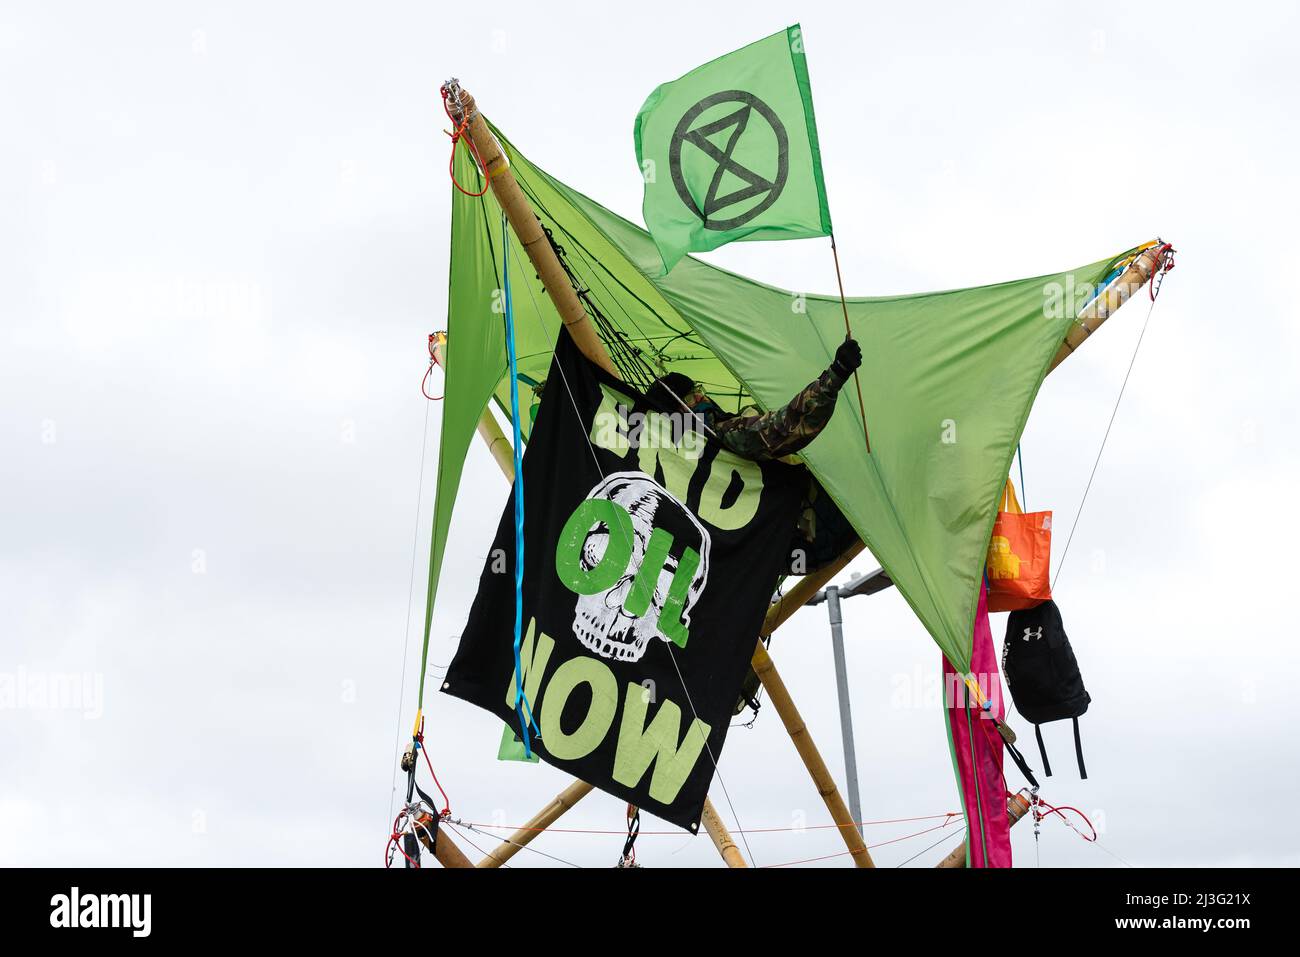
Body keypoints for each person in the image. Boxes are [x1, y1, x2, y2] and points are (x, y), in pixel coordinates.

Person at [651, 337, 862, 461]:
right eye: (689, 397)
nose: (700, 395)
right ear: (673, 414)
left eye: (697, 389)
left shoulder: (715, 432)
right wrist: (836, 374)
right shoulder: (723, 435)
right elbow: (787, 425)